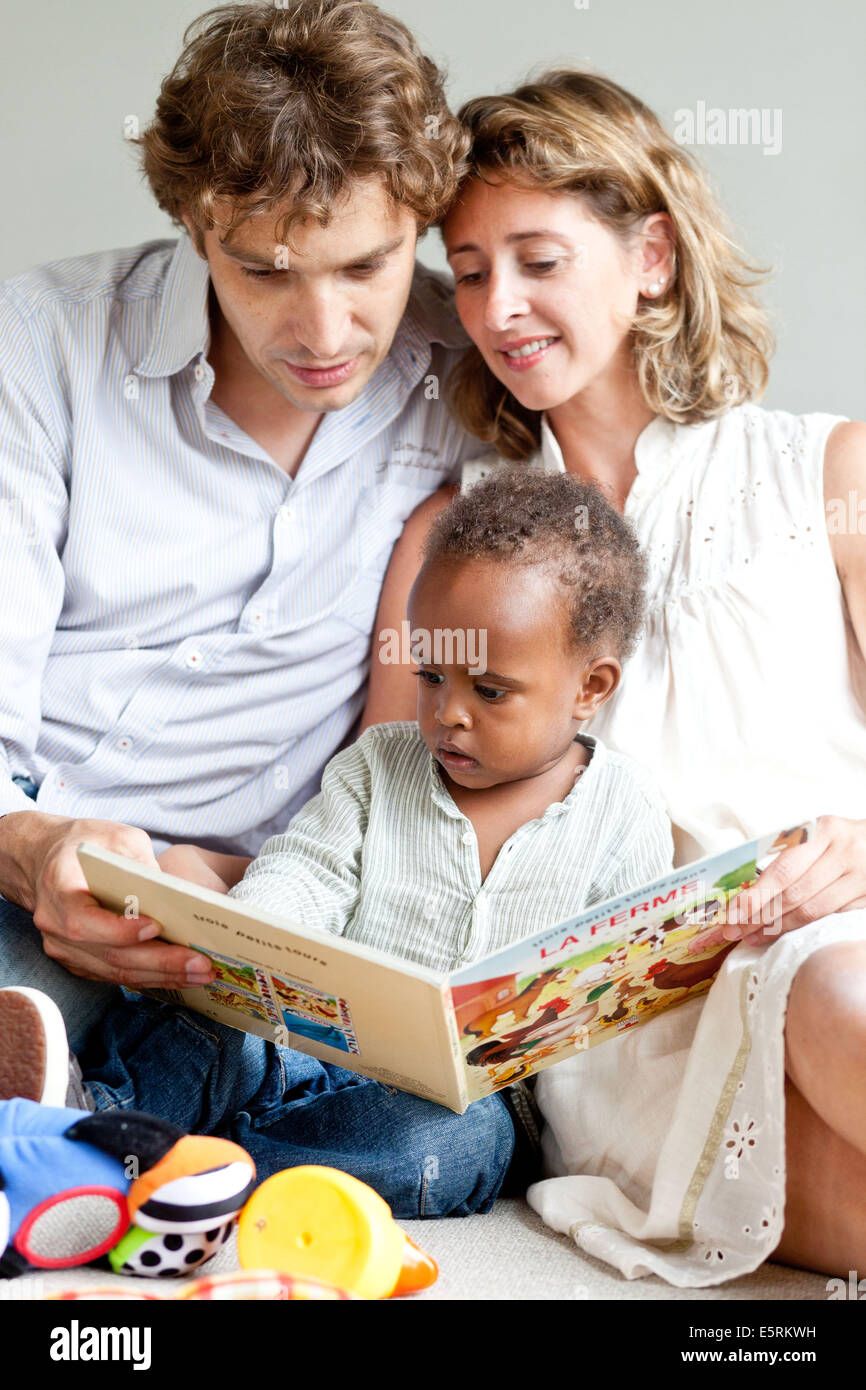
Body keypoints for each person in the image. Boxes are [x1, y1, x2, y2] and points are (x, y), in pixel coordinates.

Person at [364, 69, 866, 1282]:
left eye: (538, 259)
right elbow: (394, 836)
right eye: (470, 268)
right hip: (628, 1041)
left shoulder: (826, 473)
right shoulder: (449, 544)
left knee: (828, 978)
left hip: (843, 944)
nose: (497, 304)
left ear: (649, 257)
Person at [0, 0, 485, 1052]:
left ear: (423, 223)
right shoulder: (40, 347)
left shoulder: (471, 371)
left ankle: (95, 1122)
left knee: (451, 1142)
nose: (322, 334)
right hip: (36, 863)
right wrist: (35, 844)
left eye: (366, 267)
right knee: (30, 994)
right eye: (264, 270)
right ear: (194, 225)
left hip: (275, 916)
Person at [7, 469, 673, 1218]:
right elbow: (301, 872)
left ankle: (184, 1176)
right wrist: (246, 944)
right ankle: (81, 1125)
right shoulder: (377, 768)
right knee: (210, 1029)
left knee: (441, 1147)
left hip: (467, 1099)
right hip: (306, 1039)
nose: (448, 713)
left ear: (592, 687)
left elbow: (621, 1003)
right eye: (428, 676)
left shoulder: (626, 814)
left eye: (489, 691)